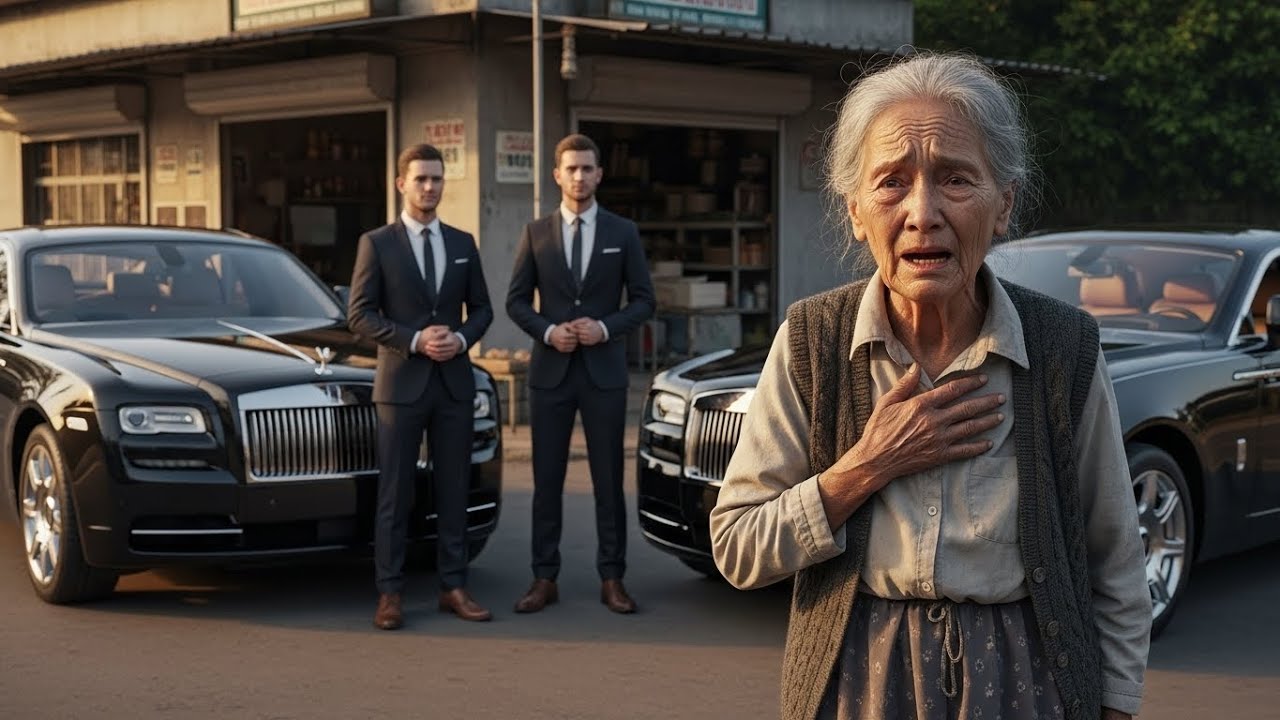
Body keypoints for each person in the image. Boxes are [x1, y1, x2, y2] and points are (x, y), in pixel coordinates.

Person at [709, 53, 1151, 720]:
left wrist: (1115, 706)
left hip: (1027, 681)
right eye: (891, 183)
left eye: (955, 179)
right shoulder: (811, 341)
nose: (923, 212)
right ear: (856, 213)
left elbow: (1114, 558)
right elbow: (738, 547)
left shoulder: (1062, 349)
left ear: (1003, 205)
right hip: (859, 678)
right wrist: (867, 466)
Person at [506, 133, 656, 614]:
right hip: (550, 374)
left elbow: (644, 301)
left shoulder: (622, 232)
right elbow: (515, 302)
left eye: (587, 168)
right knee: (546, 481)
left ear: (599, 174)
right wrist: (549, 331)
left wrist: (605, 328)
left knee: (608, 481)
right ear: (557, 175)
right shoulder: (536, 233)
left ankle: (613, 578)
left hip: (603, 374)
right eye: (571, 169)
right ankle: (543, 577)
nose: (579, 176)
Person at [348, 143, 494, 629]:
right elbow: (359, 315)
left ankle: (454, 587)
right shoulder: (377, 243)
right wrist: (413, 340)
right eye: (421, 179)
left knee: (454, 490)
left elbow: (483, 309)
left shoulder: (462, 243)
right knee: (396, 493)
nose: (430, 187)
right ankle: (390, 593)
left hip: (453, 384)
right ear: (401, 184)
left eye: (436, 179)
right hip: (400, 385)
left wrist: (461, 338)